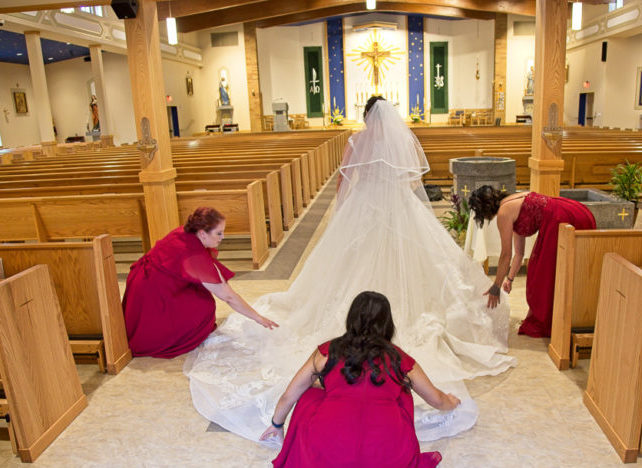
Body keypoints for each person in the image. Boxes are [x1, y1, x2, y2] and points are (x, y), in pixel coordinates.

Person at [185, 97, 514, 444]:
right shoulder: (400, 140)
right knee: (411, 265)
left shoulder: (357, 140)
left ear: (365, 117)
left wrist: (342, 215)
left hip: (365, 209)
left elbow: (345, 178)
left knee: (352, 267)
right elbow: (410, 183)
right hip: (398, 209)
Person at [260, 291, 458, 468]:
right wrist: (451, 402)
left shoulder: (327, 351)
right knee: (402, 392)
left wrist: (277, 425)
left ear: (351, 318)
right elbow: (437, 400)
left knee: (307, 391)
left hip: (330, 449)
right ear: (387, 323)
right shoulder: (399, 359)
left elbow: (289, 395)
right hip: (384, 454)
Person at [123, 207, 277, 358]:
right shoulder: (194, 257)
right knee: (204, 306)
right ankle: (170, 334)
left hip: (142, 283)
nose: (222, 237)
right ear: (202, 233)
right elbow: (228, 296)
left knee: (199, 291)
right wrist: (258, 318)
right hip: (152, 295)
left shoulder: (186, 231)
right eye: (218, 233)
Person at [469, 186, 596, 338]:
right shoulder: (510, 203)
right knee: (540, 270)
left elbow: (505, 255)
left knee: (541, 275)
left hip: (559, 218)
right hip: (571, 209)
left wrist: (496, 286)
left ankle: (546, 320)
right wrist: (509, 279)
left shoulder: (504, 213)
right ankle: (551, 316)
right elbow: (519, 253)